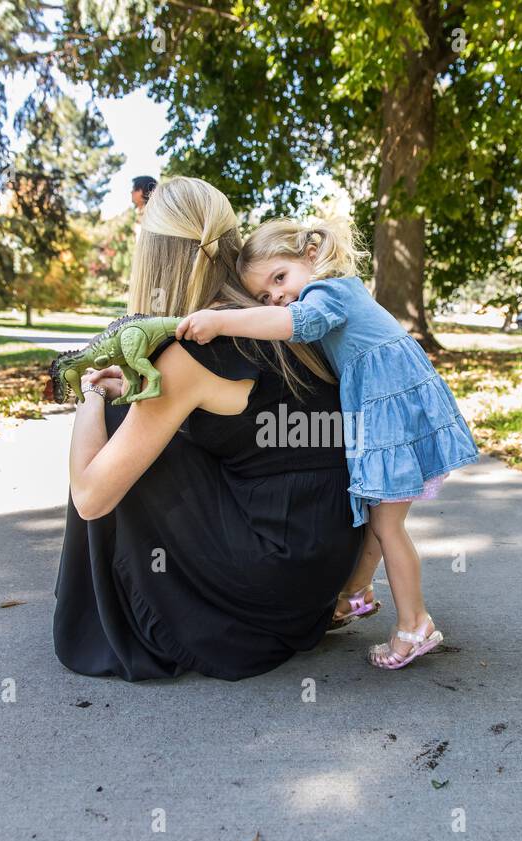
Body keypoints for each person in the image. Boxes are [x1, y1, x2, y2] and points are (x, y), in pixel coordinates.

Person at [53, 178, 363, 682]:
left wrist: (89, 394)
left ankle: (115, 621)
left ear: (153, 259)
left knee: (116, 425)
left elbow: (90, 497)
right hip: (321, 563)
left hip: (277, 573)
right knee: (148, 419)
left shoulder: (194, 351)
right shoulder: (273, 315)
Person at [175, 216, 480, 670]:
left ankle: (415, 624)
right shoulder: (336, 290)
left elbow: (295, 324)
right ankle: (355, 594)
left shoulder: (329, 292)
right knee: (381, 513)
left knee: (389, 526)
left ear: (310, 254)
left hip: (391, 412)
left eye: (280, 278)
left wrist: (222, 322)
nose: (277, 296)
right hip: (388, 410)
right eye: (265, 295)